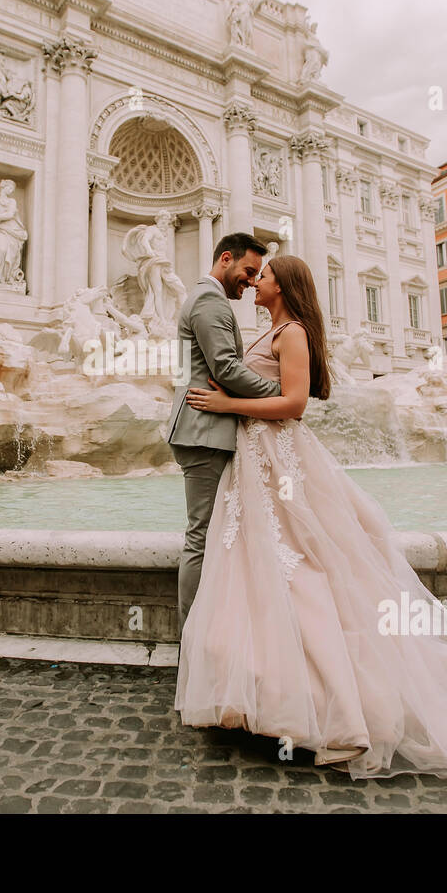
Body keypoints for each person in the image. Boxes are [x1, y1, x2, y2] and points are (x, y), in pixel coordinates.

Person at [174, 254, 447, 800]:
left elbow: (295, 404)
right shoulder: (275, 328)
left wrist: (226, 401)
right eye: (253, 274)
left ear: (283, 285)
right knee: (257, 564)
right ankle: (260, 693)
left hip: (278, 458)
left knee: (301, 566)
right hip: (255, 463)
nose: (254, 281)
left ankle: (325, 706)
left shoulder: (294, 333)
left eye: (264, 276)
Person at [166, 233, 280, 632]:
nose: (250, 282)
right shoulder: (209, 301)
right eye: (248, 271)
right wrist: (280, 395)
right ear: (225, 259)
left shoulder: (198, 299)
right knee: (201, 538)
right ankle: (193, 640)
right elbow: (226, 368)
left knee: (211, 534)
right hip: (204, 432)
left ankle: (207, 635)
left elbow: (183, 371)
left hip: (200, 428)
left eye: (255, 276)